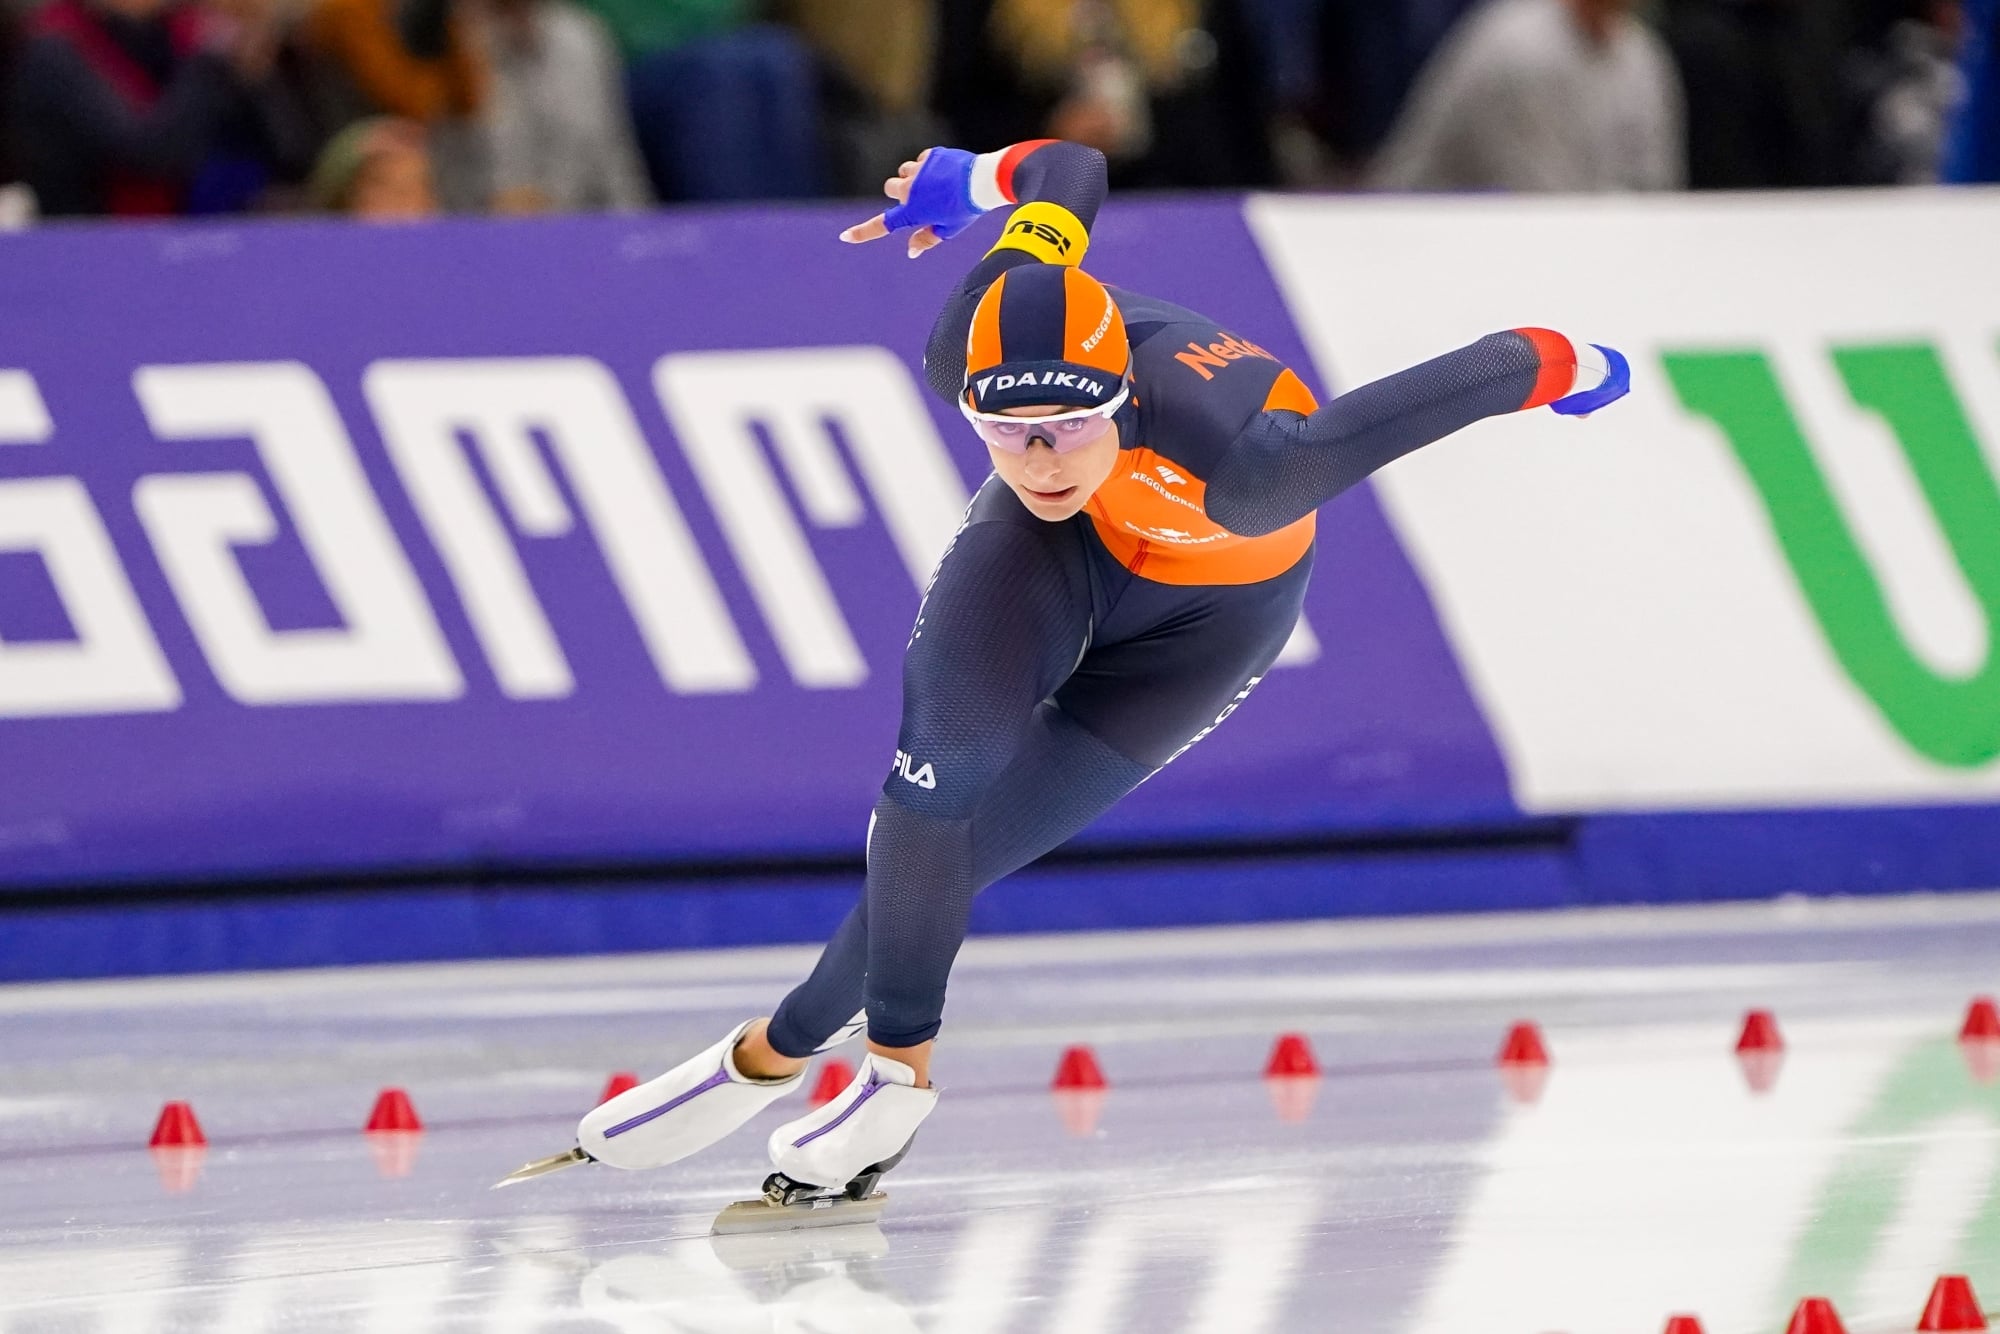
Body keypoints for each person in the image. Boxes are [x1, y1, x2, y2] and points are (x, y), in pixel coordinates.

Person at [525, 138, 1630, 1209]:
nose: (1041, 459)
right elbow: (1069, 171)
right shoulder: (969, 342)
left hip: (1208, 624)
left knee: (967, 852)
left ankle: (773, 1048)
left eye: (1066, 426)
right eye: (1007, 433)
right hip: (1057, 557)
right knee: (933, 781)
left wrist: (1581, 367)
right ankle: (892, 1079)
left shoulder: (1256, 469)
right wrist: (968, 180)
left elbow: (1483, 372)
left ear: (1118, 399)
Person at [1370, 0, 1684, 192]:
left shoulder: (1642, 53)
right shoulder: (1518, 46)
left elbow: (1656, 185)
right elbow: (1541, 202)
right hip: (1420, 238)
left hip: (1544, 241)